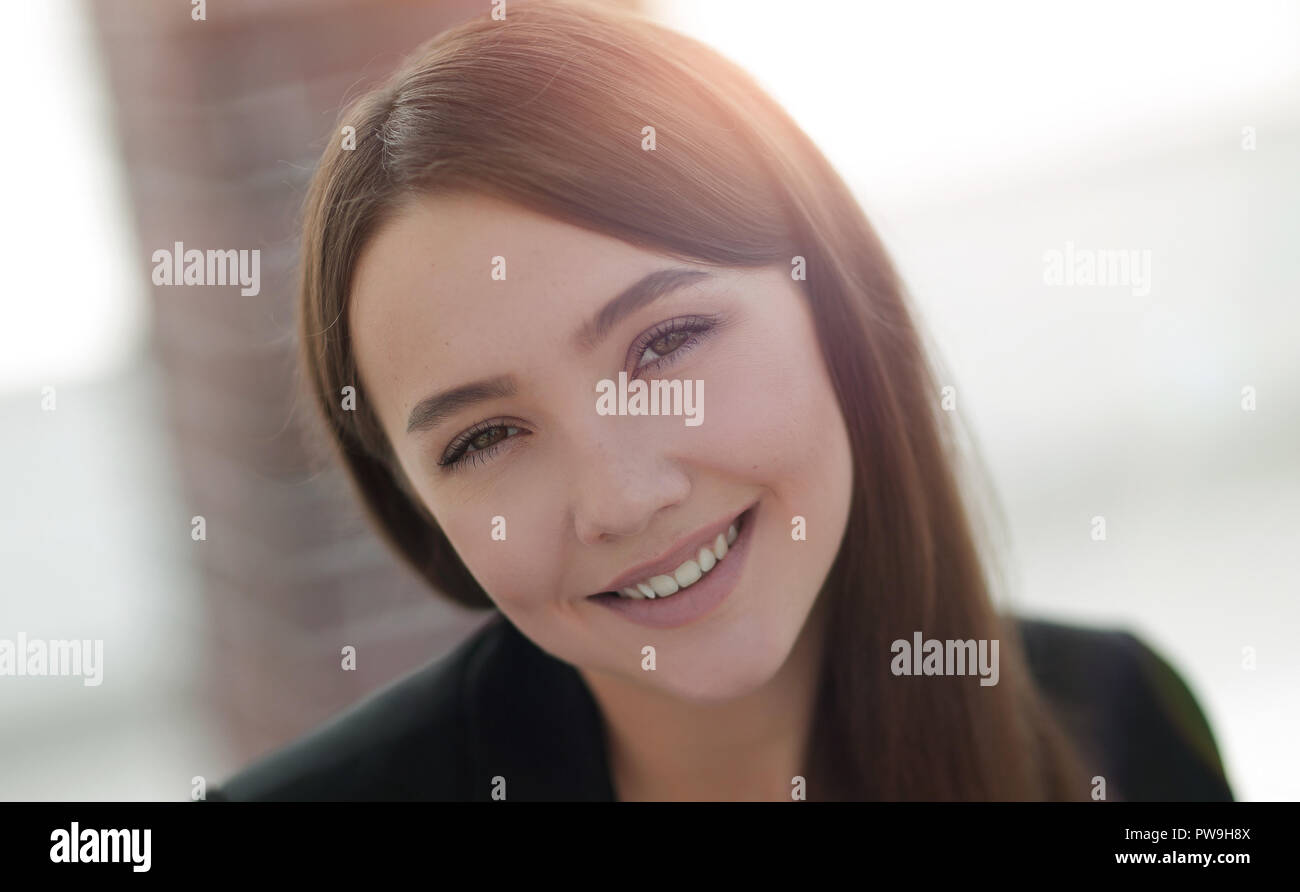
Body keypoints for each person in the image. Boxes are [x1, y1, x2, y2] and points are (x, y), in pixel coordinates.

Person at [210, 0, 1233, 801]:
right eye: (485, 437)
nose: (621, 496)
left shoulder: (1116, 722)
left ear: (833, 310)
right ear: (417, 510)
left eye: (665, 343)